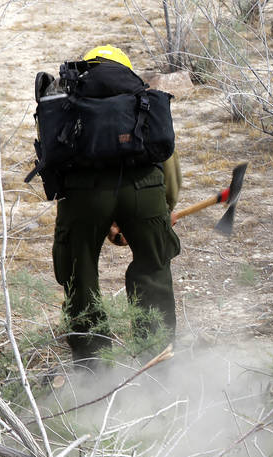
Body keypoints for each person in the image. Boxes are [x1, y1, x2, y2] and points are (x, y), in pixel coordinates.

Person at [49, 45, 181, 366]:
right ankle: (156, 356)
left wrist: (102, 216)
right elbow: (168, 168)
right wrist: (163, 211)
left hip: (83, 194)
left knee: (79, 273)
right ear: (126, 70)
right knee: (153, 266)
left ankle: (92, 363)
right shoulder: (142, 98)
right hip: (144, 189)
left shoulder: (68, 100)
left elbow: (53, 162)